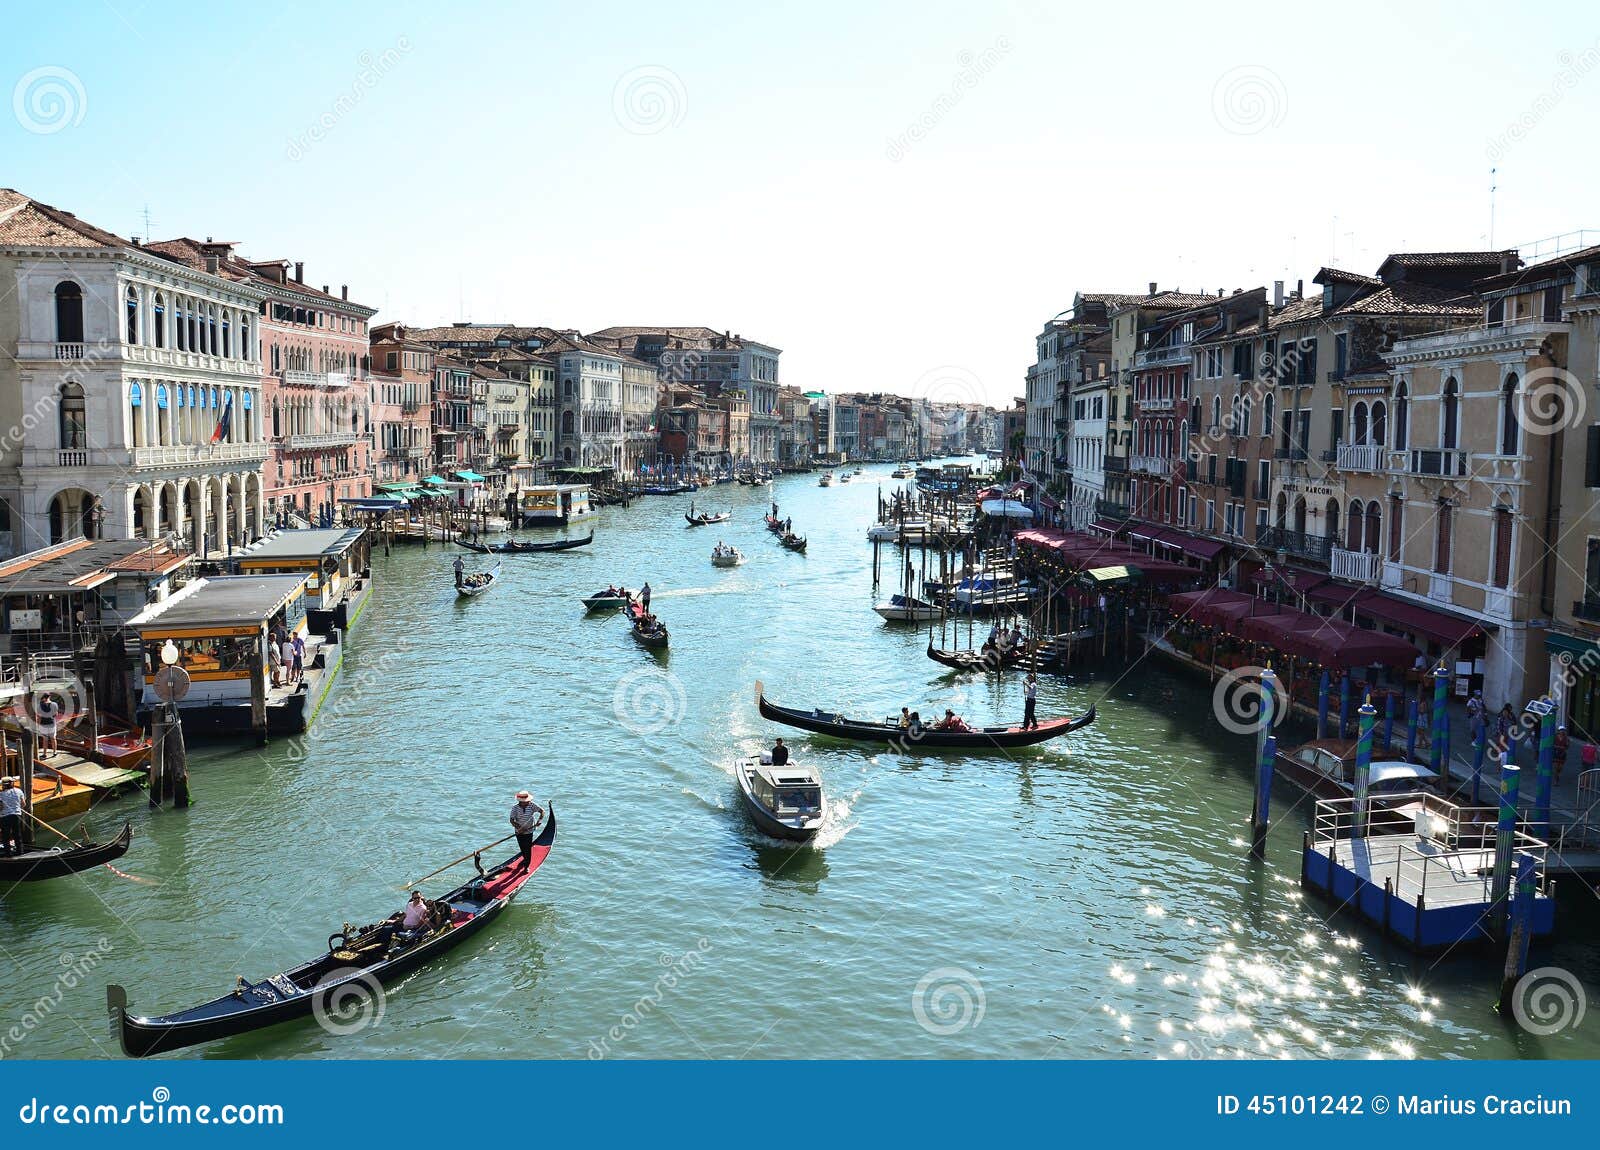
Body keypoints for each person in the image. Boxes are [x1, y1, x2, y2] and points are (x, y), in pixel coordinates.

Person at [509, 790, 543, 870]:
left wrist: (539, 821)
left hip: (529, 831)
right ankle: (525, 859)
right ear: (521, 802)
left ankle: (527, 866)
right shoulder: (515, 808)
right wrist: (519, 828)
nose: (529, 802)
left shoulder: (531, 805)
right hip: (519, 832)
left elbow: (542, 811)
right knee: (522, 848)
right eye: (526, 801)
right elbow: (511, 820)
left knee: (527, 848)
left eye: (528, 801)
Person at [0, 777, 23, 857]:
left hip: (5, 817)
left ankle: (8, 855)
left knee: (6, 837)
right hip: (17, 815)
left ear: (3, 785)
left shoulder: (1, 794)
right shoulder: (19, 791)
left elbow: (1, 807)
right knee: (17, 835)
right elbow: (23, 804)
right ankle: (20, 852)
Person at [36, 693, 60, 760]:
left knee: (45, 740)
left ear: (43, 698)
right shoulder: (54, 704)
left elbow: (39, 717)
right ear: (49, 697)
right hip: (52, 723)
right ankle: (55, 752)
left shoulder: (40, 706)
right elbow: (56, 714)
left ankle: (44, 754)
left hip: (43, 724)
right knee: (53, 738)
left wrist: (38, 725)